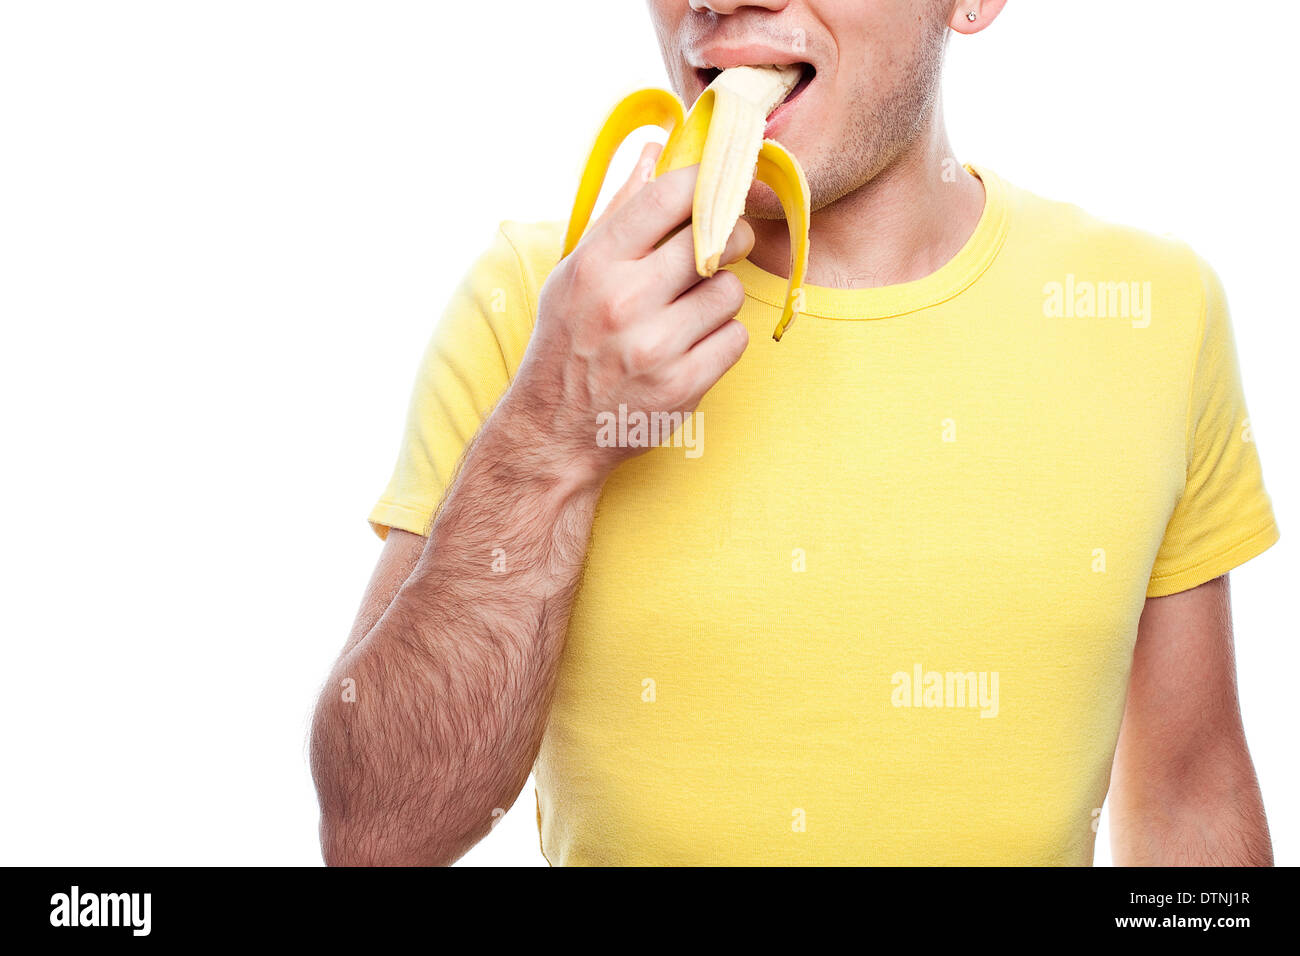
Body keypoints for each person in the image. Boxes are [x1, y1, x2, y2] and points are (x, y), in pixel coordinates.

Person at [310, 0, 1279, 866]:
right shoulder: (536, 307)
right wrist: (552, 433)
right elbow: (377, 834)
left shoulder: (1149, 313)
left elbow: (1188, 793)